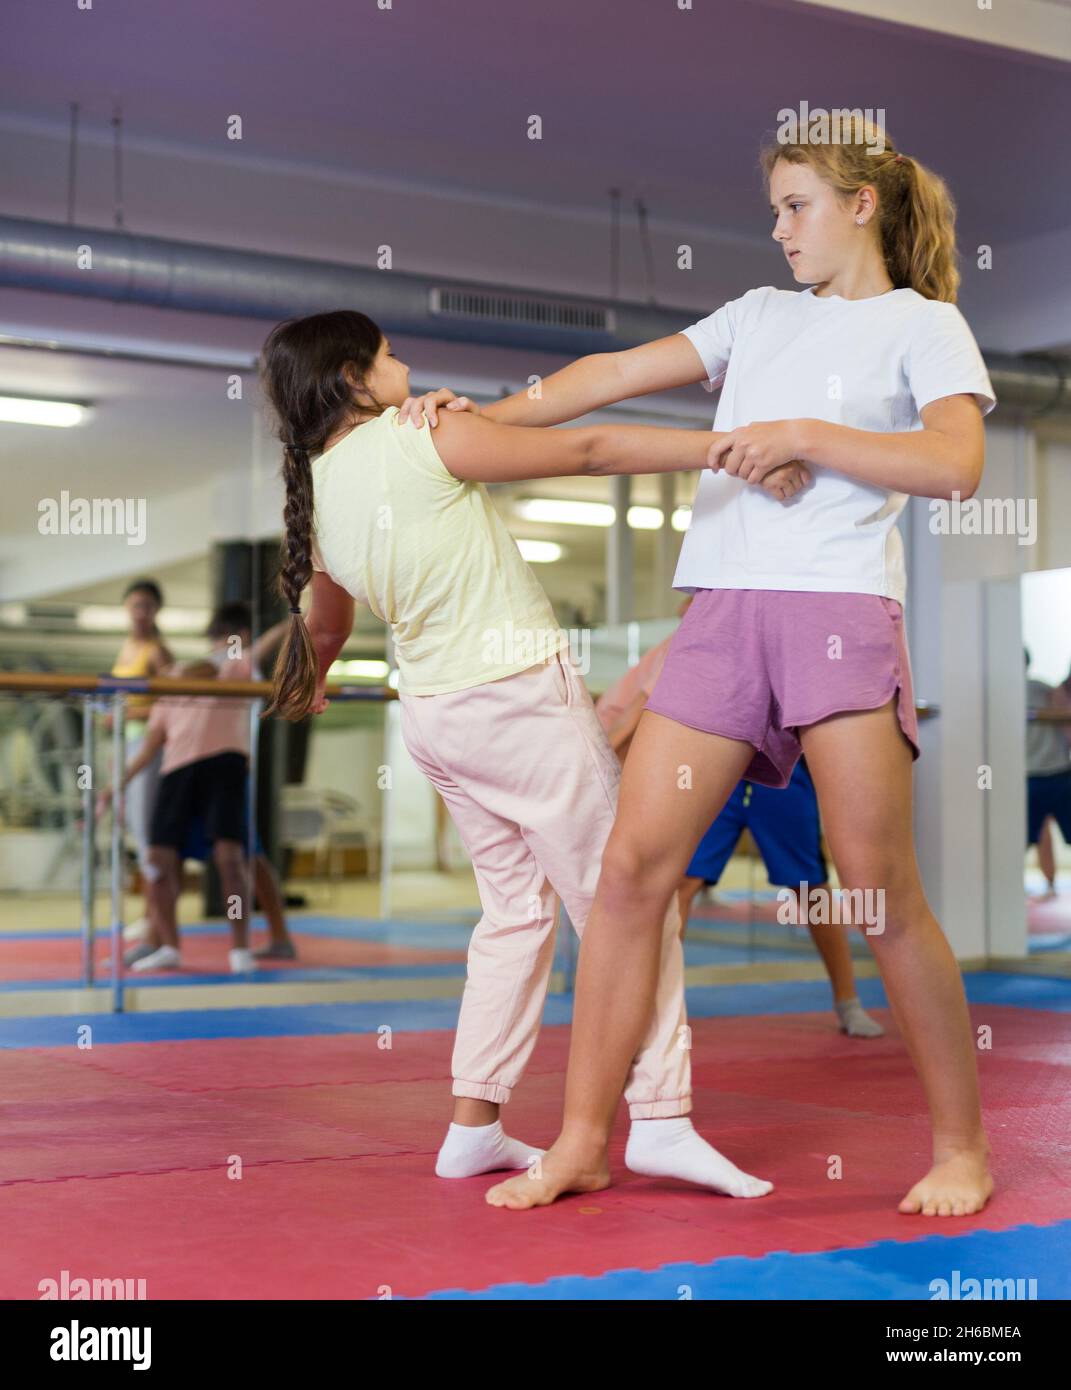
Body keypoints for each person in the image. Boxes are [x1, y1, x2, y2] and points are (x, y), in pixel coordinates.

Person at [409, 123, 997, 1217]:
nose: (777, 229)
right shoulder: (757, 314)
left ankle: (960, 1145)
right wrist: (482, 415)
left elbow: (955, 465)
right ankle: (586, 1139)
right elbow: (614, 373)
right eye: (773, 208)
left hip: (835, 615)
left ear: (862, 205)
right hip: (722, 614)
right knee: (630, 874)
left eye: (796, 205)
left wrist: (805, 434)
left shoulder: (924, 325)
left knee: (876, 886)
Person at [261, 309, 808, 1193]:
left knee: (514, 914)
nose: (406, 366)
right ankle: (661, 1117)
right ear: (356, 381)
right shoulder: (419, 441)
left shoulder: (320, 493)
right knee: (630, 905)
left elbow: (325, 622)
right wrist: (724, 447)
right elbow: (587, 452)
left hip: (435, 717)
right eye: (390, 357)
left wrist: (315, 676)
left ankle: (473, 1123)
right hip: (514, 694)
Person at [595, 608, 882, 1038]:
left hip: (779, 772)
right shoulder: (683, 644)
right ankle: (658, 1002)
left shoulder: (784, 628)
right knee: (684, 883)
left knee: (809, 888)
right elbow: (635, 712)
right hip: (716, 769)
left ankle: (848, 1001)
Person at [107, 603, 289, 973]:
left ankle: (240, 948)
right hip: (177, 773)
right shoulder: (172, 686)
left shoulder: (233, 667)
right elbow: (151, 744)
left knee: (231, 859)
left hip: (224, 767)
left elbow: (256, 647)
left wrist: (297, 616)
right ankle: (169, 946)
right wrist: (116, 784)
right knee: (158, 861)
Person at [110, 579, 173, 936]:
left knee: (148, 832)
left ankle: (156, 918)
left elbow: (168, 707)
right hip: (127, 743)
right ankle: (150, 913)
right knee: (135, 829)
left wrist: (125, 715)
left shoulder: (157, 651)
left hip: (149, 746)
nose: (140, 613)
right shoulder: (127, 648)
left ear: (156, 611)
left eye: (146, 607)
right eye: (135, 606)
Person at [1025, 648, 1071, 899]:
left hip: (1056, 772)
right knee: (1036, 833)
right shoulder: (1043, 689)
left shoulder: (1044, 689)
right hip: (1032, 774)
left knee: (1041, 832)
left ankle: (1051, 884)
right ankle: (1050, 883)